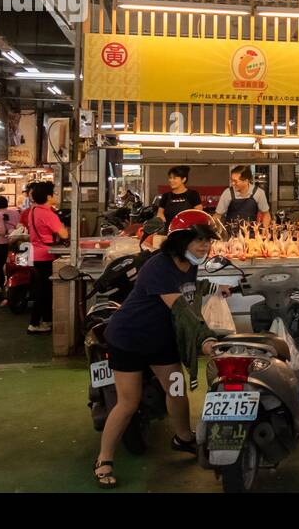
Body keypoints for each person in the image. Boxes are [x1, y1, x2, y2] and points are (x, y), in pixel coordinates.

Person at [93, 209, 218, 488]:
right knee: (128, 402)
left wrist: (214, 288)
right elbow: (182, 309)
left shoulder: (191, 263)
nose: (204, 246)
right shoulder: (158, 266)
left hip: (162, 340)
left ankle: (183, 438)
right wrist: (205, 339)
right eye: (198, 240)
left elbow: (189, 295)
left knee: (176, 388)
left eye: (207, 240)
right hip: (130, 339)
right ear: (179, 240)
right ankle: (104, 459)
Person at [24, 181, 68, 334]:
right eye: (54, 193)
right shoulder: (48, 214)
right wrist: (62, 225)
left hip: (35, 254)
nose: (56, 196)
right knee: (43, 291)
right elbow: (64, 234)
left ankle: (47, 320)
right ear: (48, 196)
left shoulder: (33, 211)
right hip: (46, 256)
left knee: (44, 289)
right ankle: (34, 324)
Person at [0, 195, 21, 304]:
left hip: (2, 244)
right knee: (14, 266)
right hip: (16, 243)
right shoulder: (16, 212)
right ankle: (14, 289)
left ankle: (2, 289)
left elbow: (1, 232)